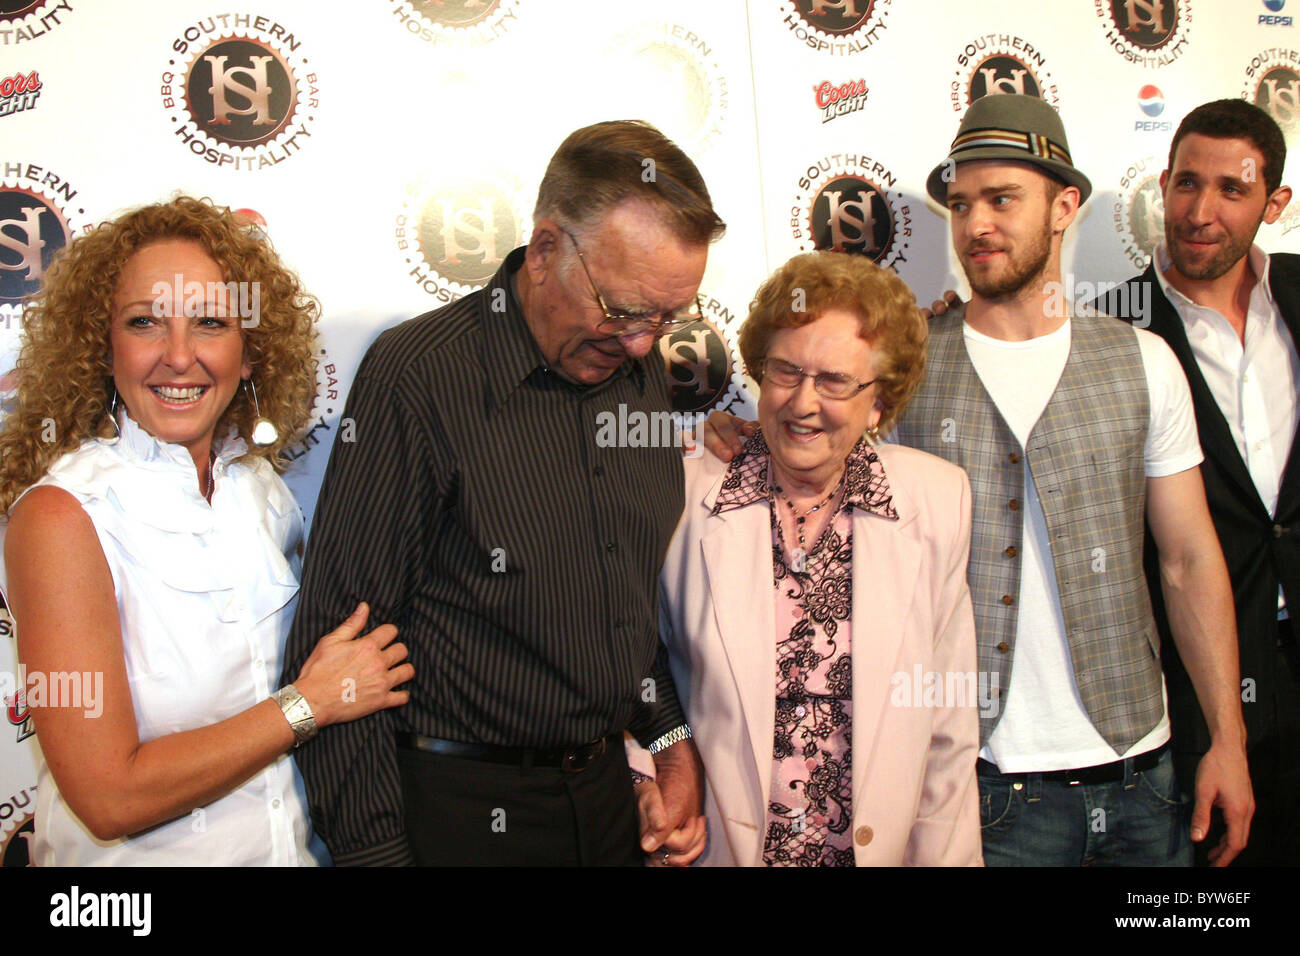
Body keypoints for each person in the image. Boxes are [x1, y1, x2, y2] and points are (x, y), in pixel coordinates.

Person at [705, 94, 1252, 866]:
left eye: (1002, 200)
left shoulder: (1143, 361)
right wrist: (734, 434)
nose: (976, 226)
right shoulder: (901, 369)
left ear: (1066, 207)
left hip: (1142, 777)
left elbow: (1189, 561)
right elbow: (805, 442)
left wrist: (1228, 739)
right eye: (961, 205)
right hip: (984, 789)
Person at [282, 120, 724, 866]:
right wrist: (375, 858)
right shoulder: (420, 375)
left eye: (667, 317)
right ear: (547, 247)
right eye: (621, 310)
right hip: (459, 817)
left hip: (611, 804)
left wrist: (672, 744)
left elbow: (623, 605)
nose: (645, 344)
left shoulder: (640, 372)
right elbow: (343, 647)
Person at [0, 196, 413, 866]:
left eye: (211, 324)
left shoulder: (259, 490)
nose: (179, 356)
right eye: (145, 324)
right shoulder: (61, 516)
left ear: (249, 354)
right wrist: (307, 704)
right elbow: (109, 797)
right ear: (103, 348)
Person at [634, 251, 981, 865]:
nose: (802, 402)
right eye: (786, 372)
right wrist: (648, 782)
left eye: (835, 381)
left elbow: (947, 730)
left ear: (879, 402)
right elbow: (627, 665)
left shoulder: (936, 500)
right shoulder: (682, 498)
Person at [1089, 99, 1300, 865]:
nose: (1199, 212)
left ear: (1274, 203)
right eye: (1185, 184)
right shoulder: (1108, 333)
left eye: (1231, 190)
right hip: (1194, 692)